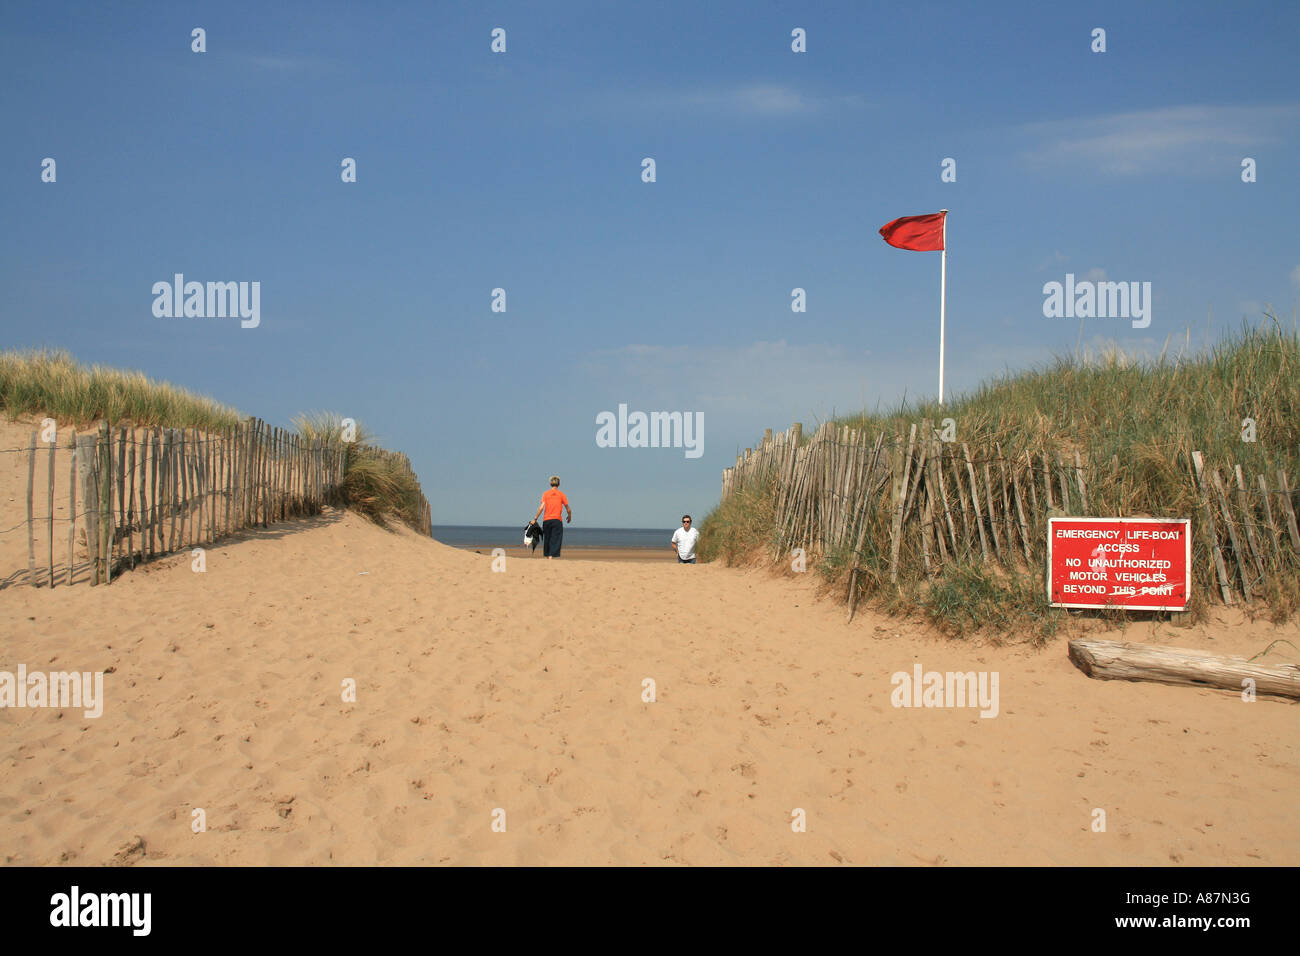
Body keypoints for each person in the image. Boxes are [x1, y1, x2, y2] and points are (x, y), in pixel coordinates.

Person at [533, 476, 572, 559]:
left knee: (547, 538)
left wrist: (535, 518)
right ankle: (550, 556)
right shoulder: (562, 494)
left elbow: (541, 508)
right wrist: (569, 516)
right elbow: (568, 509)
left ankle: (548, 556)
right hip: (557, 520)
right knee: (556, 538)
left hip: (546, 520)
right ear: (559, 484)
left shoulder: (545, 494)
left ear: (550, 484)